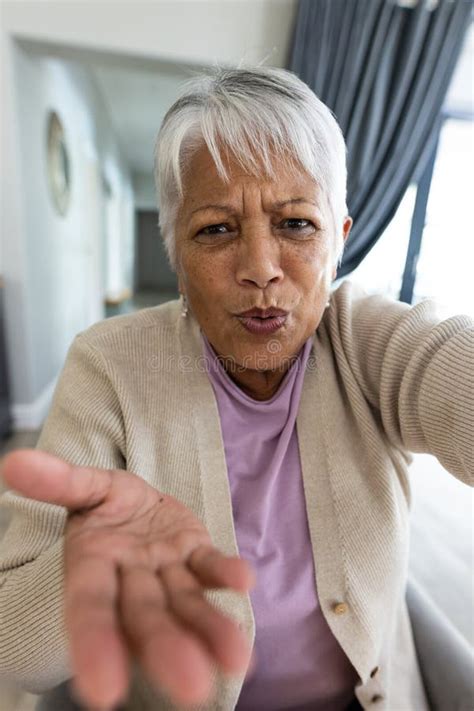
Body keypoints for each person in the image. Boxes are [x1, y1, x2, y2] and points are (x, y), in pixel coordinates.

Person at [0, 66, 472, 711]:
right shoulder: (109, 366)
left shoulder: (365, 339)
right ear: (175, 251)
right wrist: (89, 562)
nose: (259, 269)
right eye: (216, 229)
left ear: (340, 239)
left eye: (296, 224)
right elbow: (16, 653)